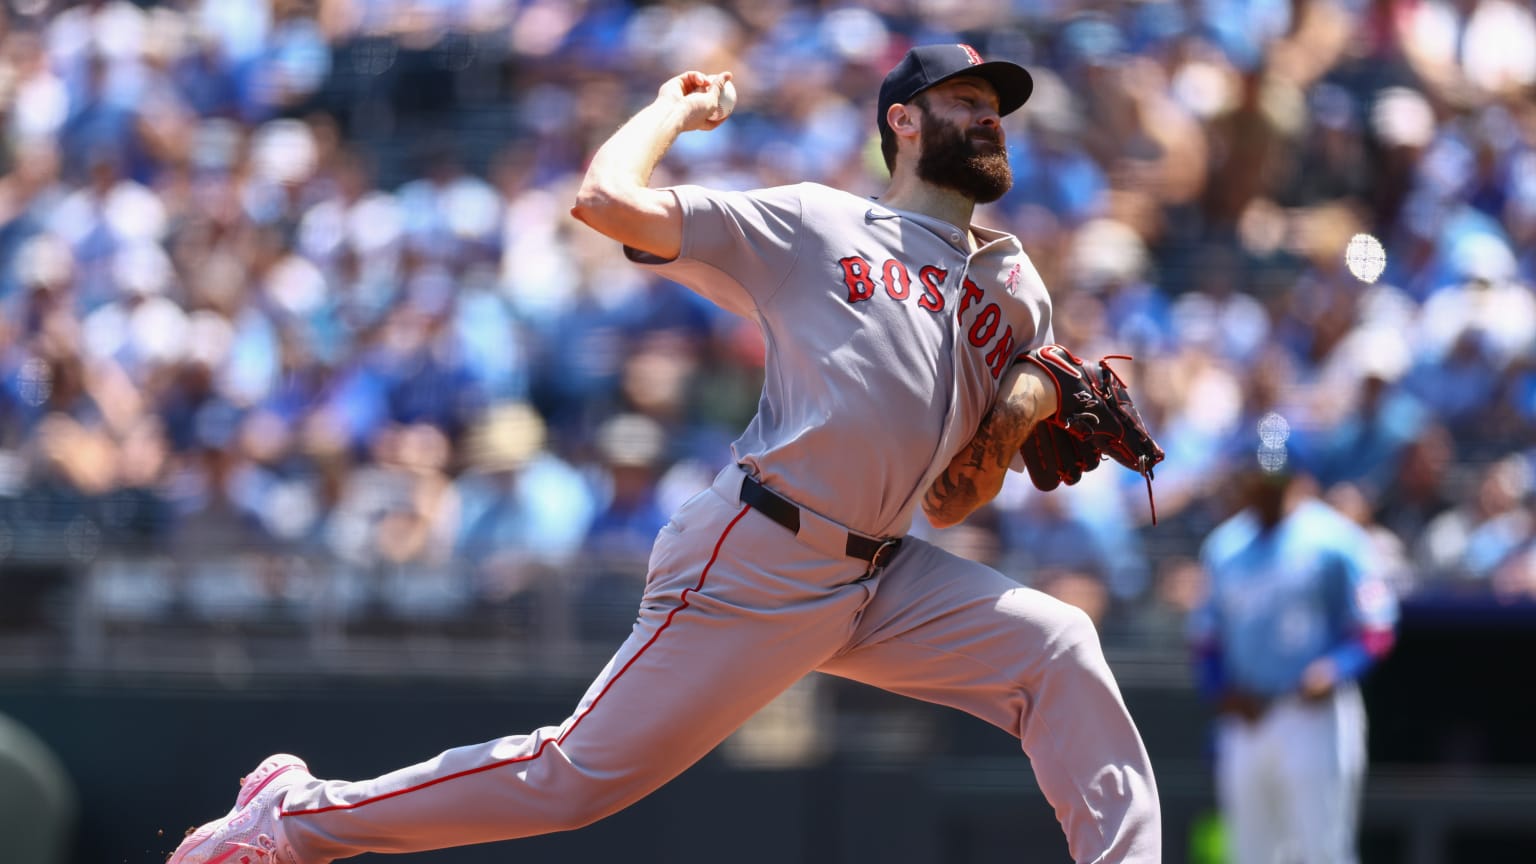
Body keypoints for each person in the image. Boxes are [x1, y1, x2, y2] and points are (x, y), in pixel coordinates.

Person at [166, 44, 1162, 864]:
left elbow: (948, 500)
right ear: (903, 120)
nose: (990, 119)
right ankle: (293, 820)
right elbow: (605, 201)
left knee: (1058, 647)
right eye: (967, 101)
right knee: (569, 781)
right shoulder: (818, 222)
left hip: (881, 574)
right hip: (760, 556)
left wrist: (1020, 406)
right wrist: (671, 111)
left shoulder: (1014, 291)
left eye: (996, 107)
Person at [1188, 415, 1398, 864]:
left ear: (1300, 478)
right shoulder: (1224, 547)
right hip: (1247, 715)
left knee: (1323, 850)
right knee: (1249, 853)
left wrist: (1337, 667)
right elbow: (1206, 639)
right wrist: (1219, 689)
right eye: (1258, 478)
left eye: (1276, 479)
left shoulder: (1336, 540)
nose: (1266, 489)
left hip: (1312, 712)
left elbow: (1376, 627)